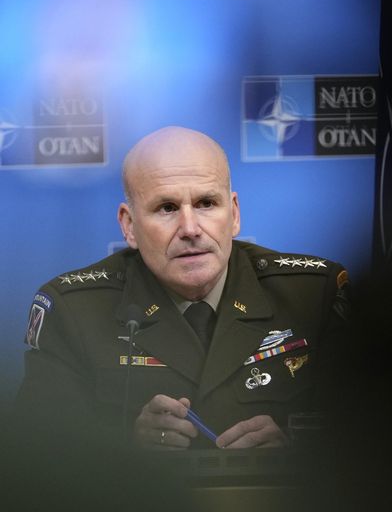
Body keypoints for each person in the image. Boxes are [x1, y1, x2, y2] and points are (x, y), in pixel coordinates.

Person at [14, 126, 351, 450]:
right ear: (128, 225)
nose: (190, 228)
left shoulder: (312, 294)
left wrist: (297, 450)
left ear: (233, 214)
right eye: (167, 208)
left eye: (206, 203)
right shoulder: (74, 311)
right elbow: (39, 456)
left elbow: (376, 440)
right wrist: (125, 446)